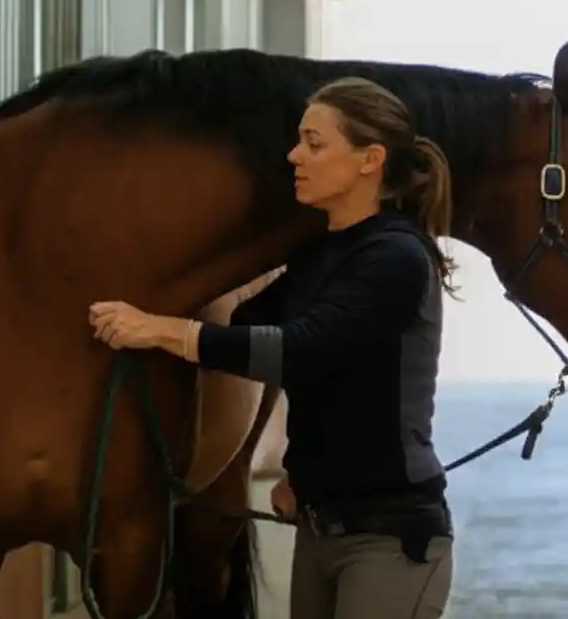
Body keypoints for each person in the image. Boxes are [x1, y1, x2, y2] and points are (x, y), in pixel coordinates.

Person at [87, 76, 457, 618]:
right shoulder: (320, 254)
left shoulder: (395, 258)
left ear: (368, 159)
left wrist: (159, 329)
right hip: (317, 526)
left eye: (314, 143)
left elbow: (295, 351)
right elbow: (248, 320)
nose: (294, 156)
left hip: (391, 540)